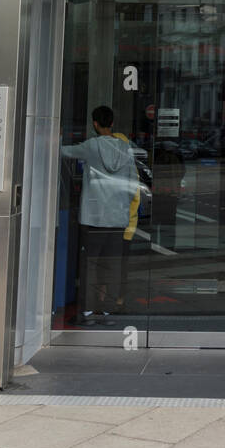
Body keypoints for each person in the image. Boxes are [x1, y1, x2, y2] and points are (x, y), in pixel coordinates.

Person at [61, 105, 138, 324]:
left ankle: (86, 312)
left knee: (90, 264)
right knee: (112, 264)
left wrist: (52, 138)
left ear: (95, 123)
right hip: (118, 218)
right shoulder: (126, 149)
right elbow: (133, 185)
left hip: (93, 218)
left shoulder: (91, 146)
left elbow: (63, 152)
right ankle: (107, 310)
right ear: (112, 123)